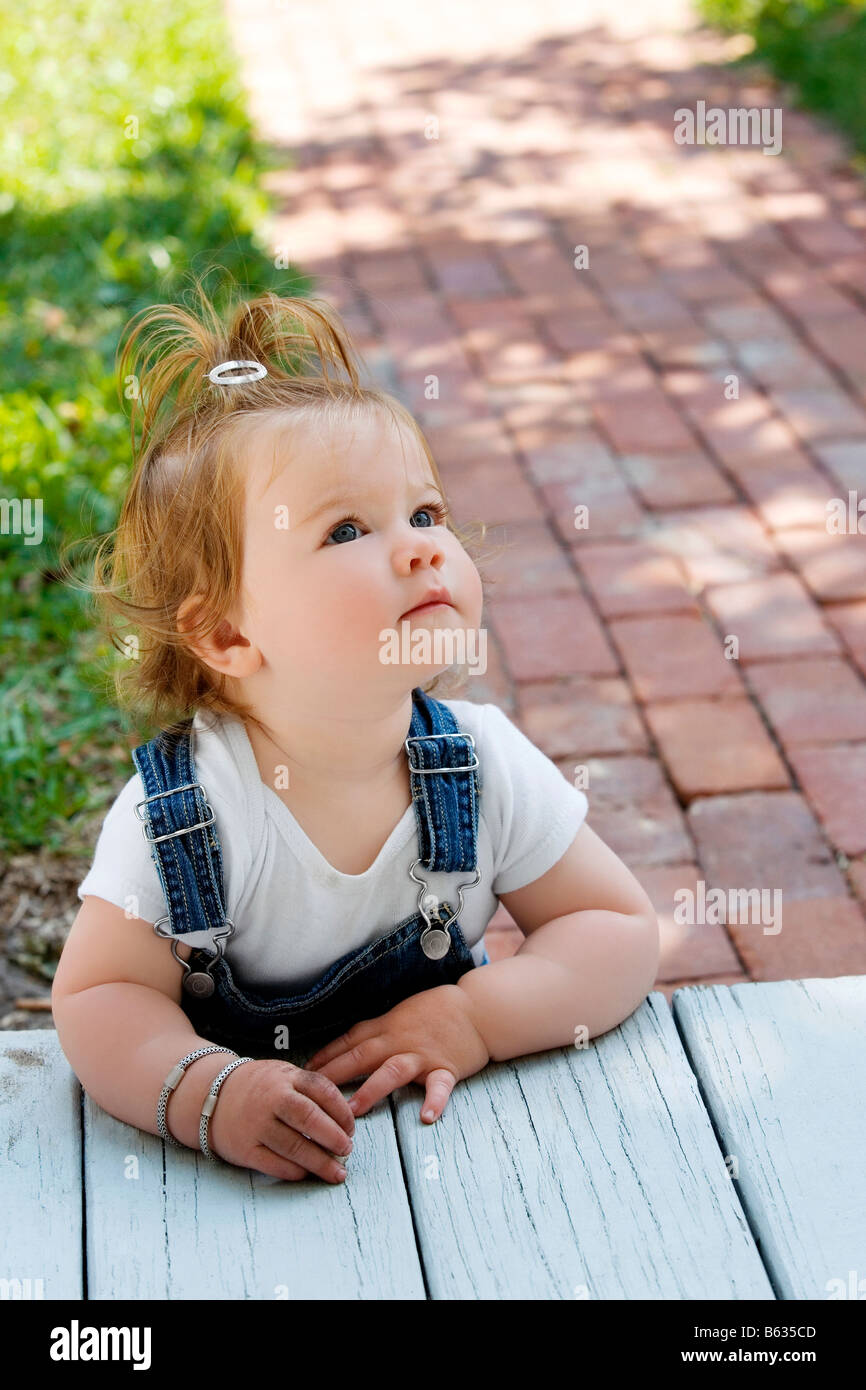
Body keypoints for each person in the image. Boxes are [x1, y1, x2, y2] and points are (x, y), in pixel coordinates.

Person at [51, 280, 659, 1187]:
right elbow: (100, 996)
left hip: (468, 1171)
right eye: (346, 529)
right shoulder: (188, 815)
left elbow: (613, 925)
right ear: (227, 634)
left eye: (425, 514)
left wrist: (480, 1018)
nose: (421, 548)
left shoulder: (481, 764)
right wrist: (205, 1093)